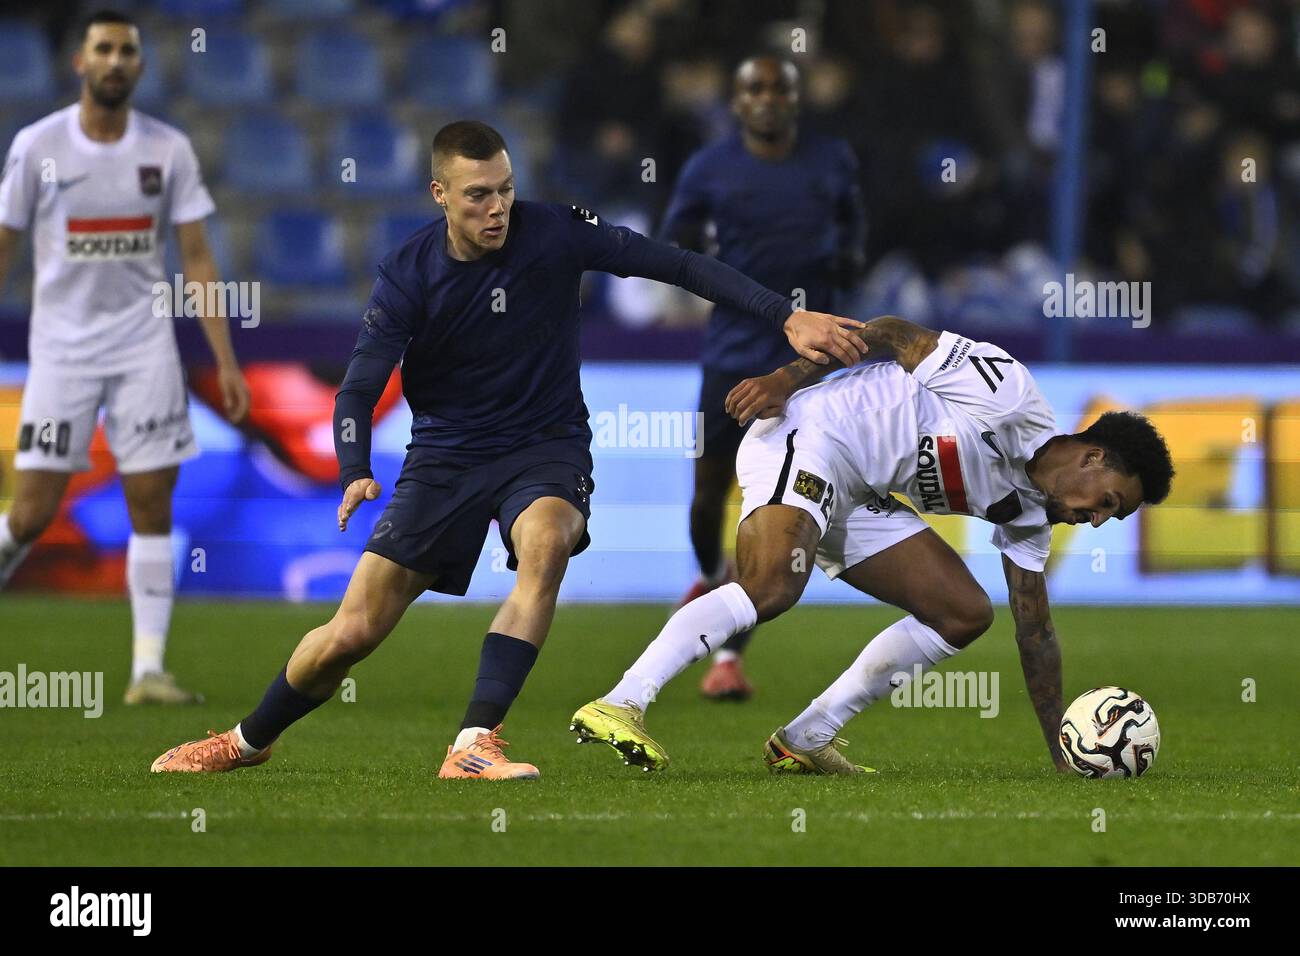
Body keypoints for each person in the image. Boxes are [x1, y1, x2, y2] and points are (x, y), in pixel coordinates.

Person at [150, 120, 867, 779]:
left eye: (505, 189)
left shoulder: (554, 233)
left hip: (544, 446)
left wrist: (786, 314)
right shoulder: (408, 273)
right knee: (353, 632)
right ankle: (246, 740)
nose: (497, 208)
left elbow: (675, 264)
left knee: (547, 541)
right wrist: (355, 469)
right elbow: (357, 389)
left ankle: (474, 743)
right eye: (477, 195)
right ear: (440, 194)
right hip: (446, 457)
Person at [571, 316, 1174, 773]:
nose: (1096, 520)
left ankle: (805, 738)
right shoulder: (1005, 393)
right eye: (1108, 503)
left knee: (963, 613)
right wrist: (786, 377)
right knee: (772, 586)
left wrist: (1061, 754)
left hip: (859, 492)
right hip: (810, 434)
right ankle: (623, 700)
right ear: (1093, 457)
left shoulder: (1030, 515)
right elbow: (888, 333)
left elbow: (1034, 630)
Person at [0, 9, 249, 703]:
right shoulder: (36, 146)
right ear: (80, 63)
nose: (114, 61)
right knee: (30, 515)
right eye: (102, 49)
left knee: (151, 503)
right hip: (61, 354)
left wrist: (224, 360)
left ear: (139, 66)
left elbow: (197, 259)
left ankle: (147, 671)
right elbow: (3, 245)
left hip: (145, 349)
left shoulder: (166, 150)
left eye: (126, 52)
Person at [659, 54, 865, 701]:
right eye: (755, 88)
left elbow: (857, 227)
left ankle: (729, 657)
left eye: (780, 88)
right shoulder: (709, 166)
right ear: (738, 100)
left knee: (771, 509)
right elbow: (677, 242)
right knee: (705, 497)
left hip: (807, 368)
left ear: (796, 99)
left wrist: (843, 270)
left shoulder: (832, 160)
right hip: (729, 351)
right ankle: (710, 575)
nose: (768, 98)